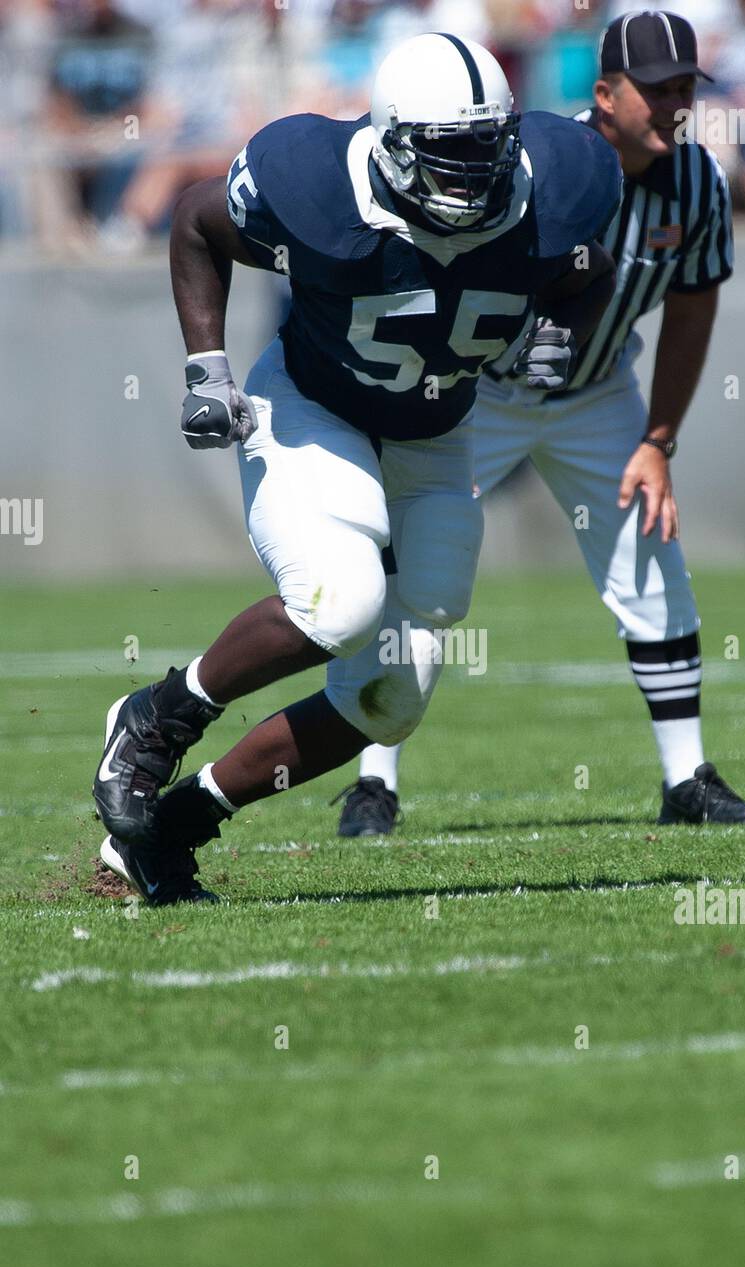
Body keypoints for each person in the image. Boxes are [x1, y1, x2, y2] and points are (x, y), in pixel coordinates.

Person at [92, 30, 621, 905]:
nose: (470, 175)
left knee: (389, 701)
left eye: (486, 151)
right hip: (314, 405)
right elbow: (194, 219)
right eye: (448, 155)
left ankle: (174, 828)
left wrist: (560, 335)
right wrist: (206, 369)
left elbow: (587, 271)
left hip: (435, 429)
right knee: (339, 602)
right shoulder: (319, 188)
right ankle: (159, 715)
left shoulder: (550, 188)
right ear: (393, 141)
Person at [336, 11, 745, 838]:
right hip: (482, 392)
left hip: (599, 392)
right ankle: (372, 778)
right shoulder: (534, 164)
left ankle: (687, 778)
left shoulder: (699, 184)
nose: (676, 103)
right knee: (415, 566)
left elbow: (692, 305)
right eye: (658, 88)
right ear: (604, 95)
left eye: (685, 86)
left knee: (651, 568)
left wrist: (660, 439)